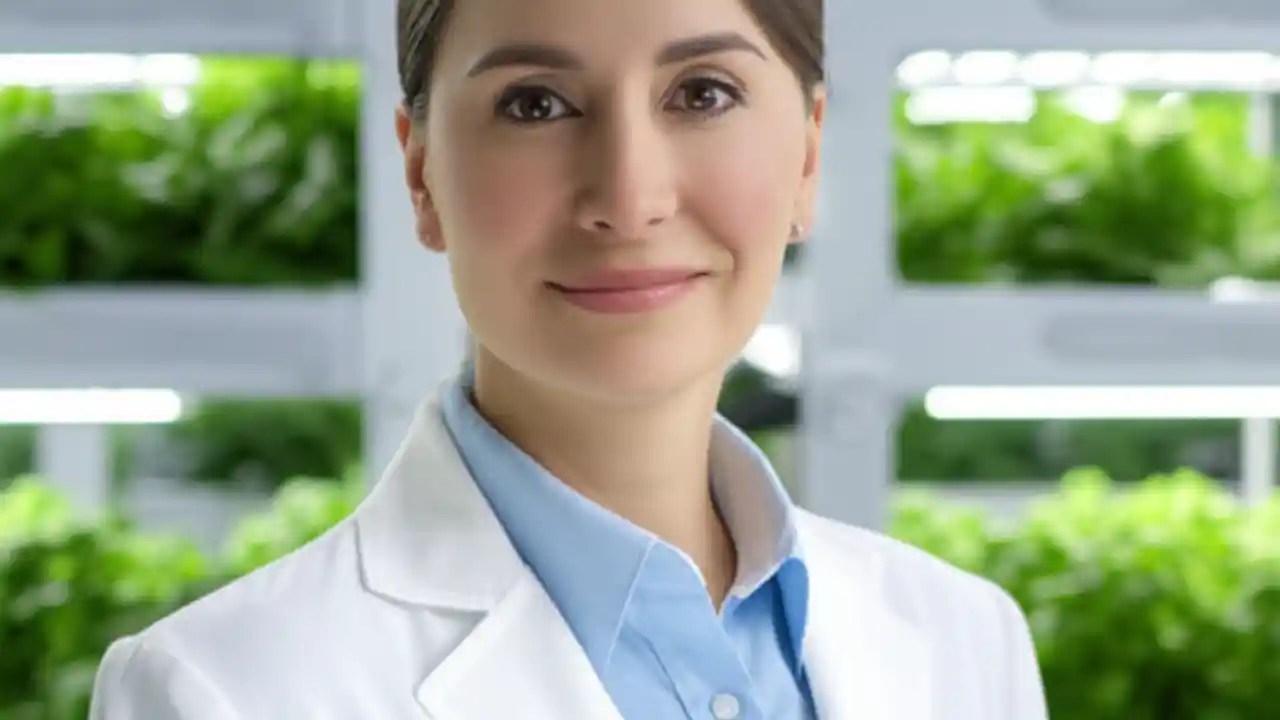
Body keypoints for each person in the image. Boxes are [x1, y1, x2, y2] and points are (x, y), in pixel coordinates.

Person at [89, 0, 1049, 718]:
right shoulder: (218, 689)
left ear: (807, 156)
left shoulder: (965, 642)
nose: (628, 199)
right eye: (535, 103)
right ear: (421, 174)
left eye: (703, 93)